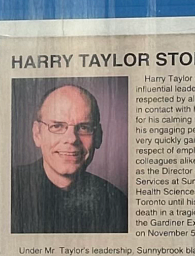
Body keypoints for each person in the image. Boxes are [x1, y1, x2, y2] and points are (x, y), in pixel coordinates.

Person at [11, 82, 127, 233]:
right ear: (37, 134)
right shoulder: (8, 190)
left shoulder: (116, 203)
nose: (72, 139)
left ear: (98, 137)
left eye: (84, 127)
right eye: (57, 126)